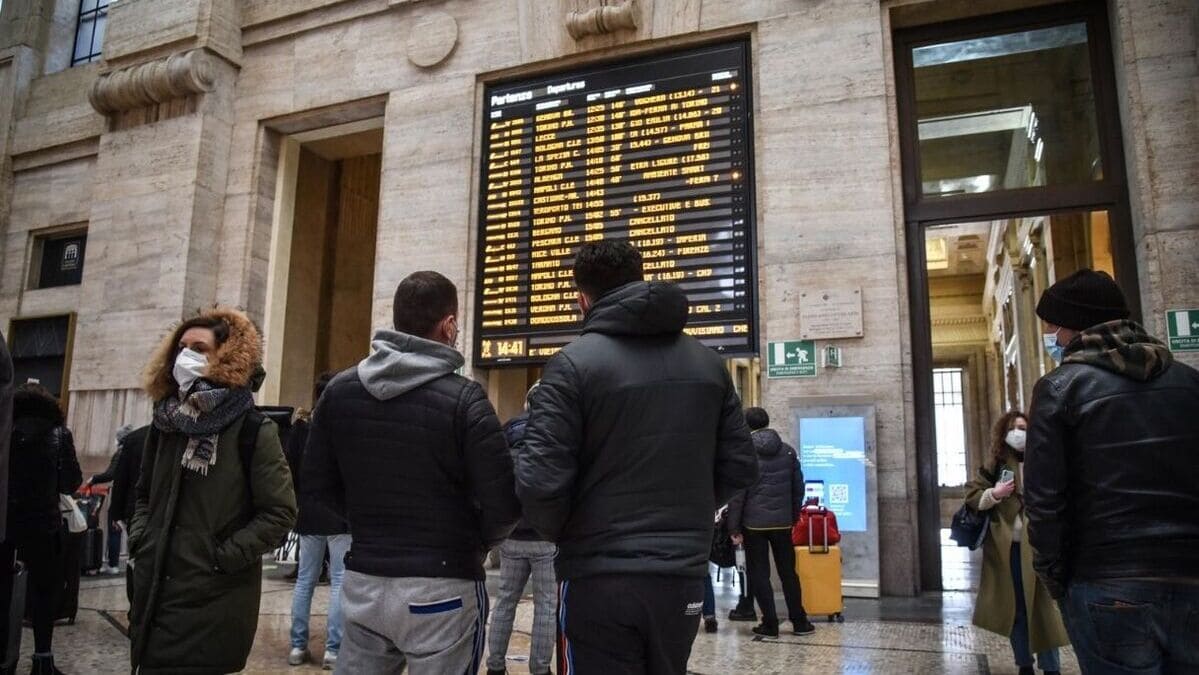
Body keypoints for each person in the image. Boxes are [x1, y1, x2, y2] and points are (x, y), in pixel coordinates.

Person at [518, 240, 758, 675]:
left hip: (596, 575)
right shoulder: (707, 364)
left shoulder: (571, 365)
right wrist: (689, 510)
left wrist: (573, 532)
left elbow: (539, 483)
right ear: (639, 276)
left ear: (581, 299)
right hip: (681, 575)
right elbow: (741, 465)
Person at [304, 271, 521, 675]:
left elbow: (316, 487)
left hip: (365, 579)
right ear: (449, 325)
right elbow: (503, 505)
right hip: (443, 587)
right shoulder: (466, 399)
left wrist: (370, 528)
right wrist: (474, 543)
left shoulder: (339, 391)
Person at [1025, 269, 1199, 674]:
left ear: (1074, 323)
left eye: (1053, 324)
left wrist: (1056, 578)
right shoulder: (1190, 383)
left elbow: (1045, 501)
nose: (1051, 334)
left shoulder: (1059, 387)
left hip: (1106, 578)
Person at [129, 308, 297, 674]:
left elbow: (279, 513)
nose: (186, 356)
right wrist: (143, 539)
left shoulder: (253, 428)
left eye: (199, 348)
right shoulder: (166, 423)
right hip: (155, 591)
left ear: (226, 355)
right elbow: (143, 494)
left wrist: (220, 558)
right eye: (182, 347)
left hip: (212, 599)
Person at [965, 411, 1067, 675]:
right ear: (1004, 432)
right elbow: (973, 495)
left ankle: (1051, 666)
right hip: (1007, 547)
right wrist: (994, 494)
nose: (1018, 433)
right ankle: (1024, 664)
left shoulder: (1043, 457)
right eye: (1013, 428)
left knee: (1043, 608)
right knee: (1016, 608)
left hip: (1039, 545)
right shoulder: (996, 463)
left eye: (1023, 427)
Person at [2, 383, 81, 675]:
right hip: (44, 525)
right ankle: (42, 659)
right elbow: (70, 483)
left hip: (5, 522)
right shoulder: (59, 434)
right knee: (44, 593)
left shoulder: (4, 430)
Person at [487, 385, 556, 675]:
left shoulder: (507, 431)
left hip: (512, 535)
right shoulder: (556, 435)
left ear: (527, 403)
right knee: (546, 607)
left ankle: (494, 666)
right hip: (545, 537)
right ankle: (540, 669)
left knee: (505, 601)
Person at [726, 407, 814, 638]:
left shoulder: (745, 454)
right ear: (767, 422)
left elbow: (738, 494)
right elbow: (798, 488)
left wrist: (734, 527)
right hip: (783, 523)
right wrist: (793, 516)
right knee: (788, 573)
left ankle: (770, 624)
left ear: (747, 426)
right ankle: (800, 622)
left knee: (760, 574)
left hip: (753, 524)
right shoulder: (787, 452)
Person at [286, 372, 347, 670]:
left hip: (309, 512)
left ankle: (297, 646)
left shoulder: (301, 428)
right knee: (339, 582)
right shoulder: (344, 427)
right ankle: (333, 650)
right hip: (339, 515)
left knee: (304, 581)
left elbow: (290, 471)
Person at [84, 424, 135, 575]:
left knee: (114, 529)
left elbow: (111, 473)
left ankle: (113, 564)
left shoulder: (121, 452)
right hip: (131, 496)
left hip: (121, 495)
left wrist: (94, 479)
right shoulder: (134, 452)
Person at [108, 424, 148, 605]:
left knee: (136, 560)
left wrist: (116, 512)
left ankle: (135, 606)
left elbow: (120, 479)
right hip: (152, 510)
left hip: (136, 511)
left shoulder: (135, 438)